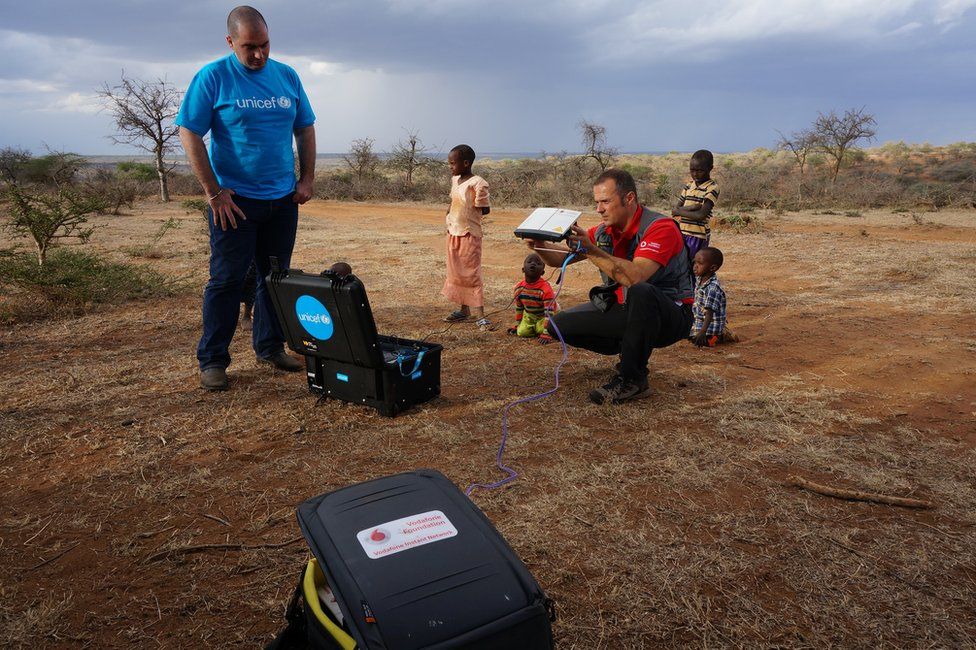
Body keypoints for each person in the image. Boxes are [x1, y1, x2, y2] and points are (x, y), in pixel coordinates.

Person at [176, 5, 317, 391]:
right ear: (230, 42)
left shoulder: (287, 76)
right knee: (226, 280)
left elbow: (305, 128)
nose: (259, 54)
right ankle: (213, 360)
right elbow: (189, 132)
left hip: (282, 201)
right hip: (234, 203)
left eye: (265, 45)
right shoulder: (213, 77)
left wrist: (306, 179)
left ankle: (269, 348)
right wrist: (214, 192)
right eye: (249, 47)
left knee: (275, 277)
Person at [528, 169, 694, 405]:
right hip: (627, 309)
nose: (599, 209)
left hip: (671, 314)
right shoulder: (604, 231)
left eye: (605, 201)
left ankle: (633, 379)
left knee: (641, 290)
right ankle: (630, 348)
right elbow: (559, 259)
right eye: (597, 202)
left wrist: (591, 250)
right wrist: (539, 244)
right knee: (557, 325)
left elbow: (636, 277)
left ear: (629, 198)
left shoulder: (660, 227)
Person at [441, 144, 493, 331]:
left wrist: (470, 207)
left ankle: (480, 316)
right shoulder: (455, 180)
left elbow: (485, 209)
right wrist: (449, 214)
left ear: (466, 163)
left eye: (452, 163)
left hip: (469, 234)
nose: (450, 167)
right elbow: (453, 200)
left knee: (471, 274)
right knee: (457, 273)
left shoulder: (478, 183)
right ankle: (464, 310)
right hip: (453, 232)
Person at [672, 150, 719, 263]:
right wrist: (693, 207)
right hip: (682, 233)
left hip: (697, 236)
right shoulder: (688, 186)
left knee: (695, 266)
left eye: (700, 171)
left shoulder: (712, 187)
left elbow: (701, 215)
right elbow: (674, 211)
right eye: (692, 170)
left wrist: (680, 211)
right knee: (680, 265)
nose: (695, 174)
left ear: (710, 168)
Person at [689, 247, 737, 347]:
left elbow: (709, 313)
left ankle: (720, 336)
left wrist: (702, 332)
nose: (695, 266)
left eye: (699, 263)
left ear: (712, 268)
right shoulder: (699, 279)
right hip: (699, 323)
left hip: (709, 328)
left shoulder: (712, 288)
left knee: (700, 342)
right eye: (694, 262)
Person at [507, 253, 557, 344]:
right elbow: (519, 308)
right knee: (522, 332)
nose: (533, 264)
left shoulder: (545, 289)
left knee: (542, 329)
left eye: (538, 263)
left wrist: (546, 333)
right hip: (529, 315)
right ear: (523, 269)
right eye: (529, 262)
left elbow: (549, 313)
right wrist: (518, 325)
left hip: (543, 315)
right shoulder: (519, 288)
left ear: (542, 273)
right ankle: (534, 327)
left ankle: (550, 322)